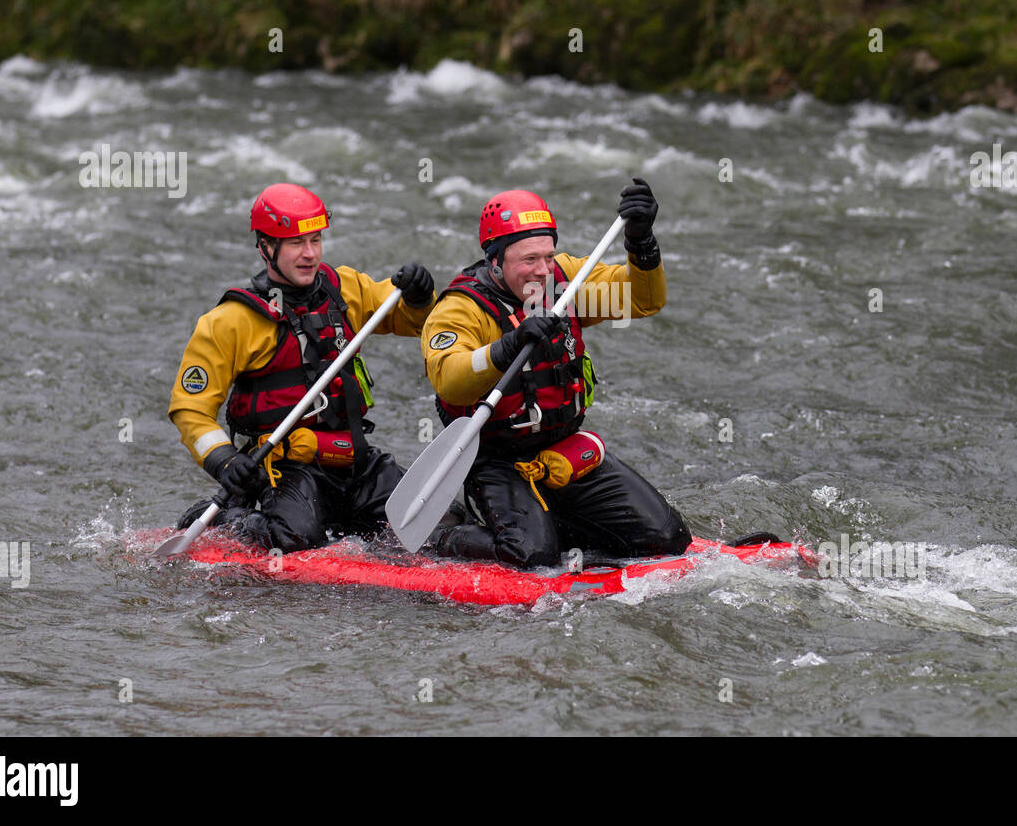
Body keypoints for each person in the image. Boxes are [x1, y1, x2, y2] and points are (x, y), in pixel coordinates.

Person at [420, 179, 692, 568]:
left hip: (562, 449)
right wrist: (508, 345)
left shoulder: (566, 282)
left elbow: (642, 299)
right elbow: (450, 379)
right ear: (494, 260)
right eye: (529, 260)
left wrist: (641, 241)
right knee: (529, 555)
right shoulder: (460, 309)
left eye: (548, 256)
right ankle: (443, 533)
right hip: (495, 460)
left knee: (666, 538)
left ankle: (560, 522)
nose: (543, 271)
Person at [169, 182, 436, 552]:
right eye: (296, 244)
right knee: (294, 539)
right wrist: (224, 461)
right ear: (266, 246)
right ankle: (228, 519)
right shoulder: (228, 322)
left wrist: (420, 298)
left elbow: (413, 322)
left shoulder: (345, 289)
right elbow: (190, 409)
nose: (309, 254)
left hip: (352, 459)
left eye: (315, 241)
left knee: (436, 520)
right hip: (285, 467)